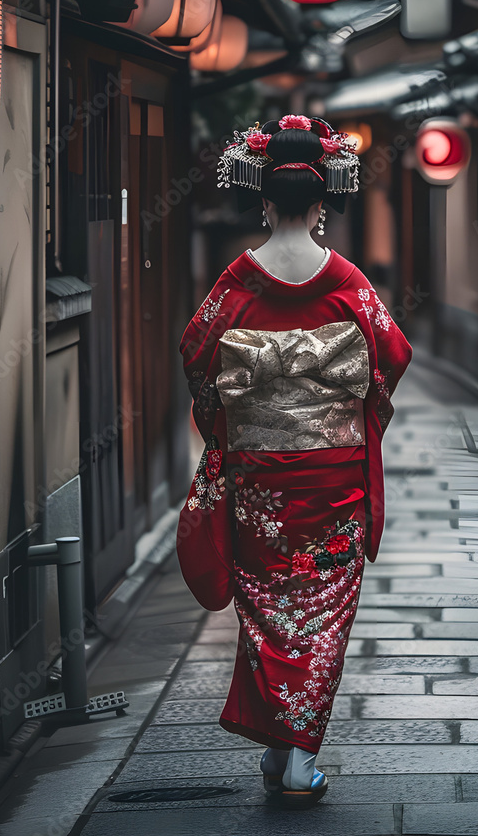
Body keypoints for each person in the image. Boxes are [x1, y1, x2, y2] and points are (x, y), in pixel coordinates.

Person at [176, 114, 413, 807]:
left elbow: (197, 354)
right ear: (320, 206)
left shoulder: (239, 280)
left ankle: (281, 747)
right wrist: (348, 406)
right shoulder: (343, 277)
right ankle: (300, 760)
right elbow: (391, 355)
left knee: (269, 613)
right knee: (323, 614)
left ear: (262, 200)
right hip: (332, 473)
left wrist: (230, 423)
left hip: (261, 481)